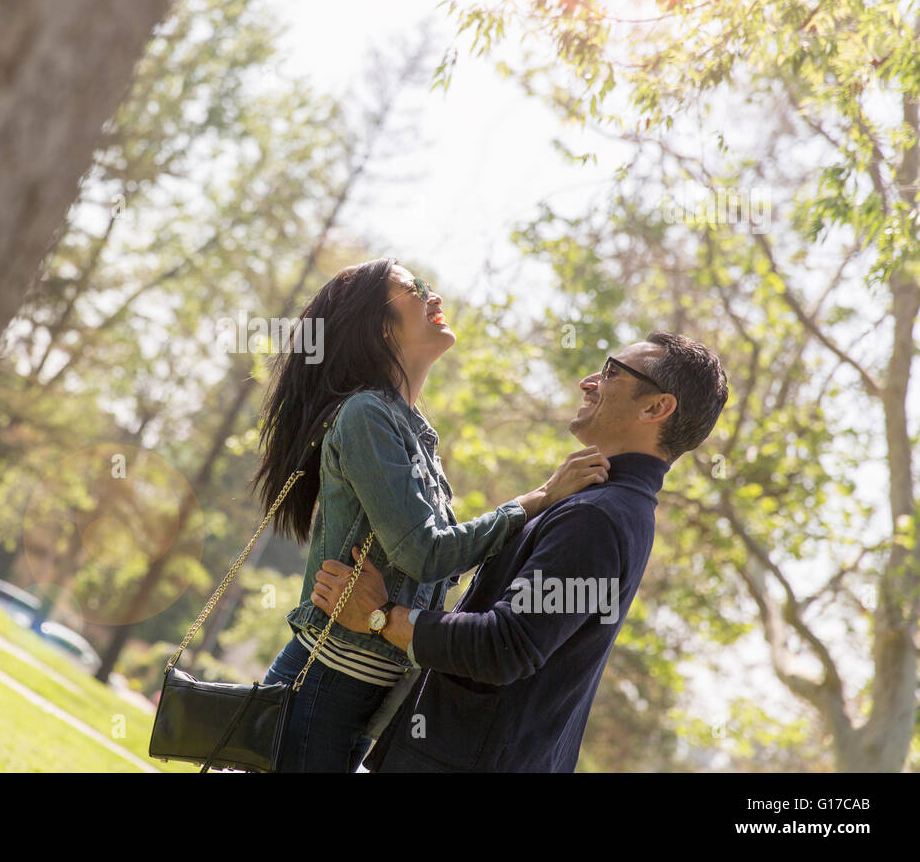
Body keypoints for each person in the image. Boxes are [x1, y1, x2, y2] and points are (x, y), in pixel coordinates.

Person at [252, 257, 611, 773]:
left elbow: (436, 559)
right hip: (324, 682)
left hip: (365, 691)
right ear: (379, 325)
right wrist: (539, 498)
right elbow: (426, 552)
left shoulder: (416, 431)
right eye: (413, 288)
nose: (433, 295)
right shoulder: (366, 416)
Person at [311, 332, 729, 771]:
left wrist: (379, 617)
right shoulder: (608, 505)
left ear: (655, 408)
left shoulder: (600, 517)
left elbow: (505, 646)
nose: (588, 382)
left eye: (610, 372)